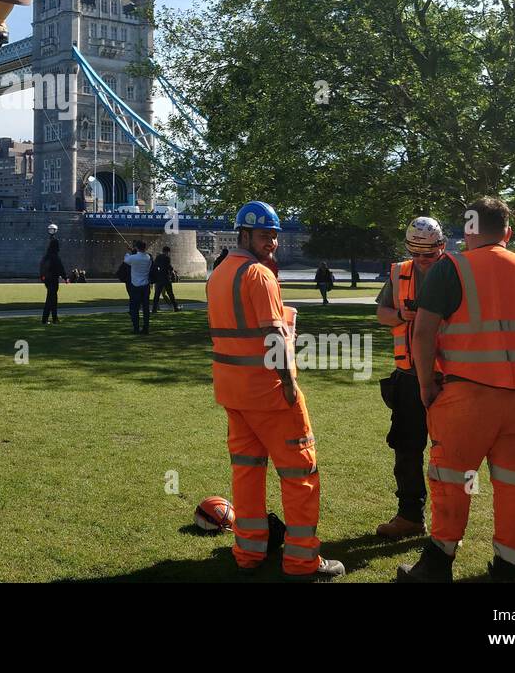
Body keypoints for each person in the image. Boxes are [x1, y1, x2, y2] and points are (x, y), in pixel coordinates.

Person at [398, 196, 515, 583]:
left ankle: (437, 564)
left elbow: (422, 333)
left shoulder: (450, 268)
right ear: (507, 232)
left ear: (466, 231)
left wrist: (424, 384)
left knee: (453, 479)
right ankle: (507, 568)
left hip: (467, 396)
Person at [208, 201, 345, 580]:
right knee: (301, 472)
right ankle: (302, 560)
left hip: (233, 392)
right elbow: (273, 336)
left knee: (247, 473)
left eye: (273, 236)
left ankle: (248, 553)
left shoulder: (219, 273)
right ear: (244, 234)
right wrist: (288, 383)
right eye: (265, 235)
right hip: (269, 393)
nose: (271, 242)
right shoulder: (258, 275)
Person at [373, 216, 446, 539]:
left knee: (452, 452)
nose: (421, 261)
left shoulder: (456, 271)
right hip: (407, 376)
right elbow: (381, 314)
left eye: (428, 255)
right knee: (406, 448)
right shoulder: (399, 272)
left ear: (441, 247)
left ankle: (449, 521)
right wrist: (402, 315)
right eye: (415, 254)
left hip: (449, 377)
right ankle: (410, 516)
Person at [123, 240, 154, 333]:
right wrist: (134, 251)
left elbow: (126, 260)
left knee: (134, 308)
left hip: (135, 285)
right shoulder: (148, 257)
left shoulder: (133, 258)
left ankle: (136, 328)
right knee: (145, 308)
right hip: (145, 285)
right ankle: (146, 328)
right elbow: (140, 256)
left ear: (137, 247)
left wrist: (128, 253)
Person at [40, 238, 66, 325]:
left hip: (47, 280)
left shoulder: (47, 256)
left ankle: (53, 318)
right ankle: (47, 319)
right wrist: (65, 278)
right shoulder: (55, 257)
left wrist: (43, 278)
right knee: (51, 300)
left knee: (52, 299)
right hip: (53, 279)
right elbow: (60, 268)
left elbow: (42, 267)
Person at [151, 246, 179, 314]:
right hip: (166, 278)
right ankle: (175, 307)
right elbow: (168, 266)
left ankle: (154, 309)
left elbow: (155, 266)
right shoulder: (167, 258)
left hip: (159, 278)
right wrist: (173, 270)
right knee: (170, 294)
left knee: (157, 295)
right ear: (168, 251)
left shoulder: (158, 257)